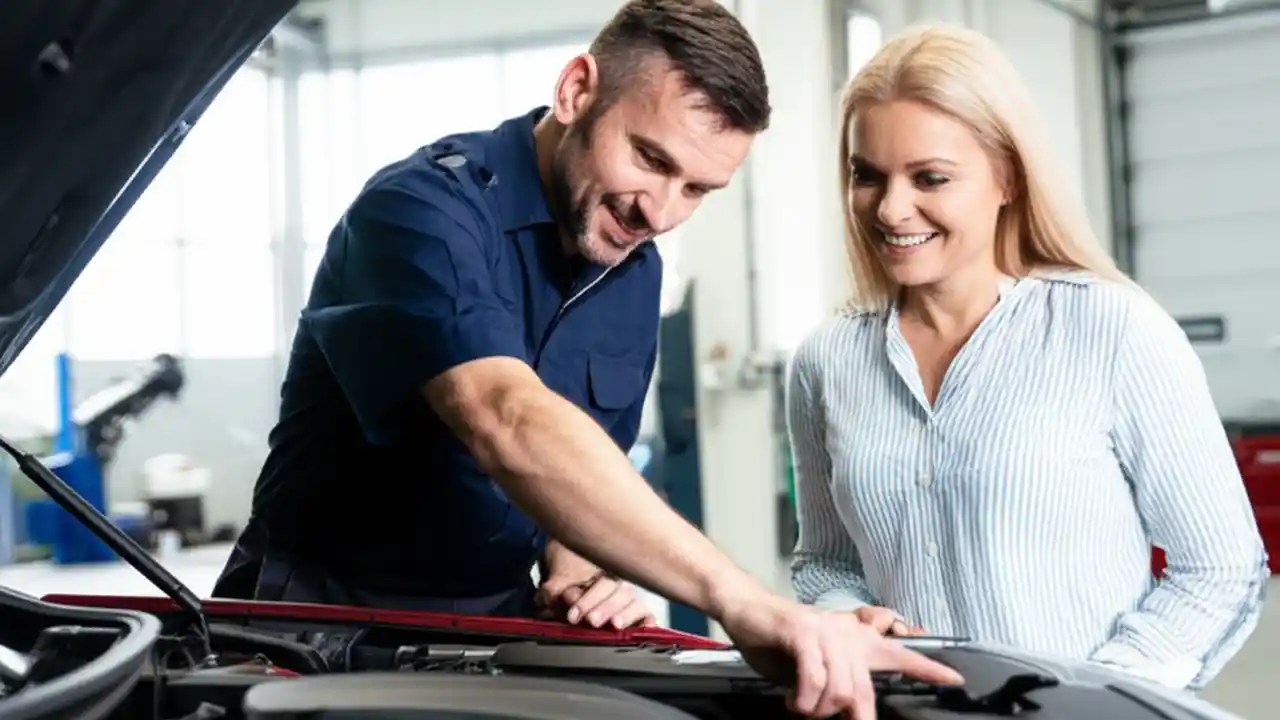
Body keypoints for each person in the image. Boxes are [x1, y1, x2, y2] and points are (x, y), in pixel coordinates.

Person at [214, 1, 964, 716]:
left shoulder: (632, 269)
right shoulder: (420, 213)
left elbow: (578, 469)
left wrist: (580, 573)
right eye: (649, 158)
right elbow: (507, 419)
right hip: (315, 628)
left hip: (490, 630)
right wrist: (744, 603)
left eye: (697, 189)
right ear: (576, 91)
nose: (660, 212)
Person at [786, 22, 1269, 691]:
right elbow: (825, 563)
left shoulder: (1111, 330)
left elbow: (1218, 568)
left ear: (1007, 177)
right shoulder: (826, 362)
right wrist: (848, 616)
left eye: (931, 177)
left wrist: (1092, 697)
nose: (891, 209)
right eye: (867, 176)